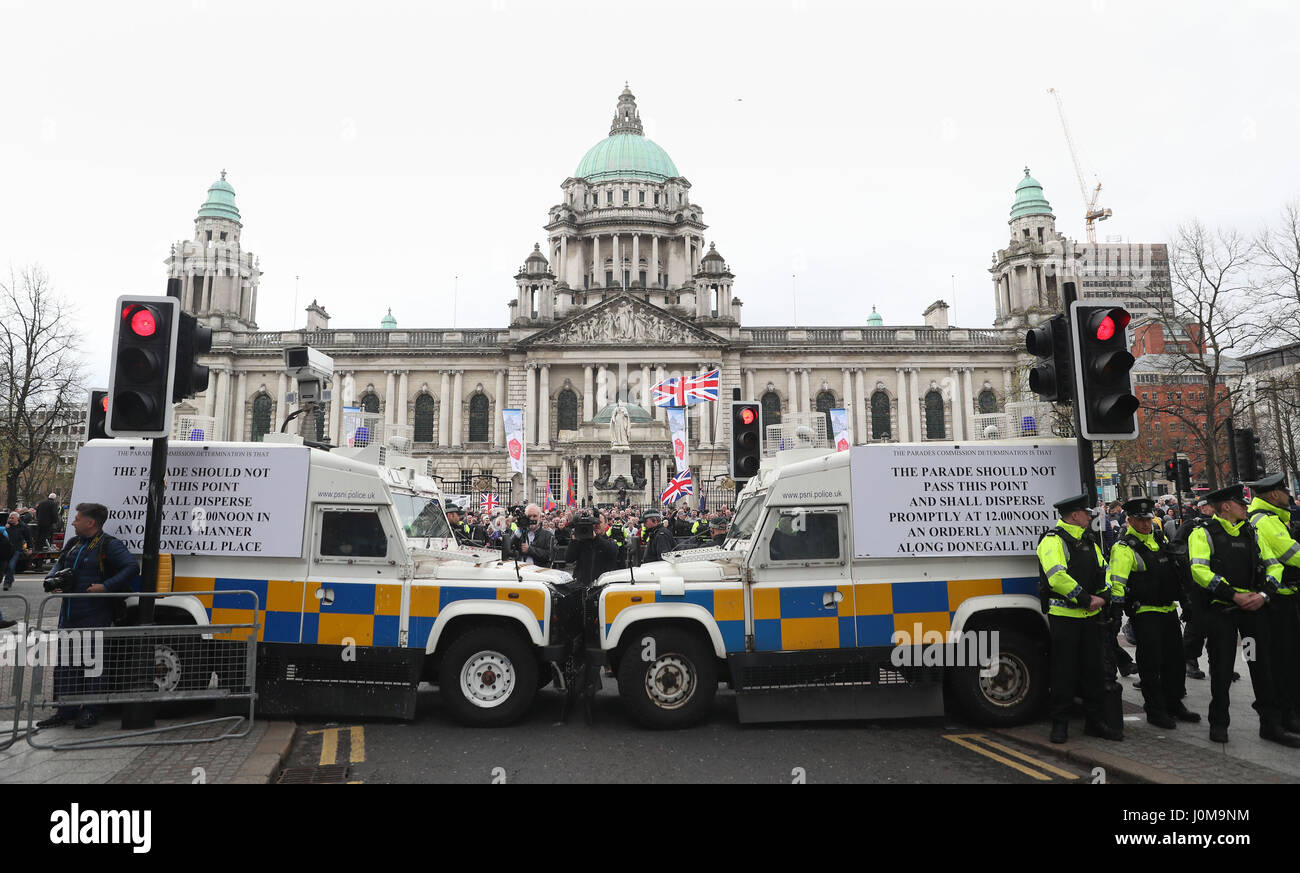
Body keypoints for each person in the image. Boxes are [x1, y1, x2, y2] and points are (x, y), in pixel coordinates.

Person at [1187, 483, 1300, 746]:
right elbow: (1200, 571)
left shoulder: (1252, 533)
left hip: (1252, 613)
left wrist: (1263, 595)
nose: (1245, 508)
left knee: (1260, 666)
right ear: (1226, 506)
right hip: (1223, 612)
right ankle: (1219, 723)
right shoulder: (1203, 533)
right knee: (1223, 668)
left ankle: (1270, 724)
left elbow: (1274, 566)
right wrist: (1233, 595)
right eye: (1241, 503)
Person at [36, 502, 138, 729]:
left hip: (95, 614)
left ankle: (91, 712)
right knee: (65, 666)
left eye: (77, 518)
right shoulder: (73, 543)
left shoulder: (108, 544)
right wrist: (51, 581)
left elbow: (131, 567)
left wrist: (106, 586)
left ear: (90, 522)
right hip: (69, 614)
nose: (73, 522)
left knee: (94, 665)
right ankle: (65, 710)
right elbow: (59, 566)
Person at [1107, 497, 1200, 729]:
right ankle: (1155, 710)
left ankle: (1174, 703)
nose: (1146, 524)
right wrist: (1116, 614)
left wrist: (1187, 602)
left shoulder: (1159, 539)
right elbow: (1117, 583)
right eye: (1140, 520)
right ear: (1129, 520)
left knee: (1175, 662)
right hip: (1145, 612)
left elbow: (1176, 573)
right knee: (1151, 664)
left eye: (1148, 519)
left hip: (1168, 609)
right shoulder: (1124, 548)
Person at [1037, 493, 1121, 744]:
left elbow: (1103, 570)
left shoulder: (1089, 541)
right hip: (1065, 616)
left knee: (1093, 671)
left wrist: (1104, 596)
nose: (1090, 517)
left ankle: (1095, 722)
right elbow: (1057, 577)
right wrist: (1086, 598)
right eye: (1086, 513)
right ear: (1074, 515)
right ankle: (1059, 724)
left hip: (1090, 617)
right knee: (1064, 672)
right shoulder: (1052, 541)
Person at [1246, 473, 1300, 732]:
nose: (1290, 496)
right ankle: (1285, 714)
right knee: (1284, 659)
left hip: (1283, 597)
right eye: (1285, 491)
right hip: (1278, 600)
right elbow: (1291, 555)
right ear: (1274, 494)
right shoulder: (1266, 520)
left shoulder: (1273, 518)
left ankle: (1289, 712)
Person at [564, 511, 619, 586]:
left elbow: (612, 551)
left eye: (599, 522)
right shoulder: (582, 541)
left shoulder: (610, 541)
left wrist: (596, 538)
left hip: (601, 585)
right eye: (593, 523)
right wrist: (574, 541)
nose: (596, 525)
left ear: (606, 525)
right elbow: (569, 559)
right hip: (581, 586)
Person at [514, 503, 554, 567]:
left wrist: (530, 550)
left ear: (540, 518)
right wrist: (518, 532)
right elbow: (509, 549)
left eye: (535, 516)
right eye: (529, 516)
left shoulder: (548, 535)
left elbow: (549, 556)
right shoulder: (519, 533)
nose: (532, 519)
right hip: (520, 571)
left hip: (538, 572)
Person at [4, 511, 33, 590]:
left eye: (12, 518)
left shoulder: (23, 527)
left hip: (16, 549)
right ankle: (11, 578)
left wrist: (30, 548)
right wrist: (4, 528)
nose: (10, 519)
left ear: (17, 518)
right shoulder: (7, 526)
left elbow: (28, 538)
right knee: (6, 566)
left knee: (11, 565)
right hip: (6, 550)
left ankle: (7, 582)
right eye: (10, 518)